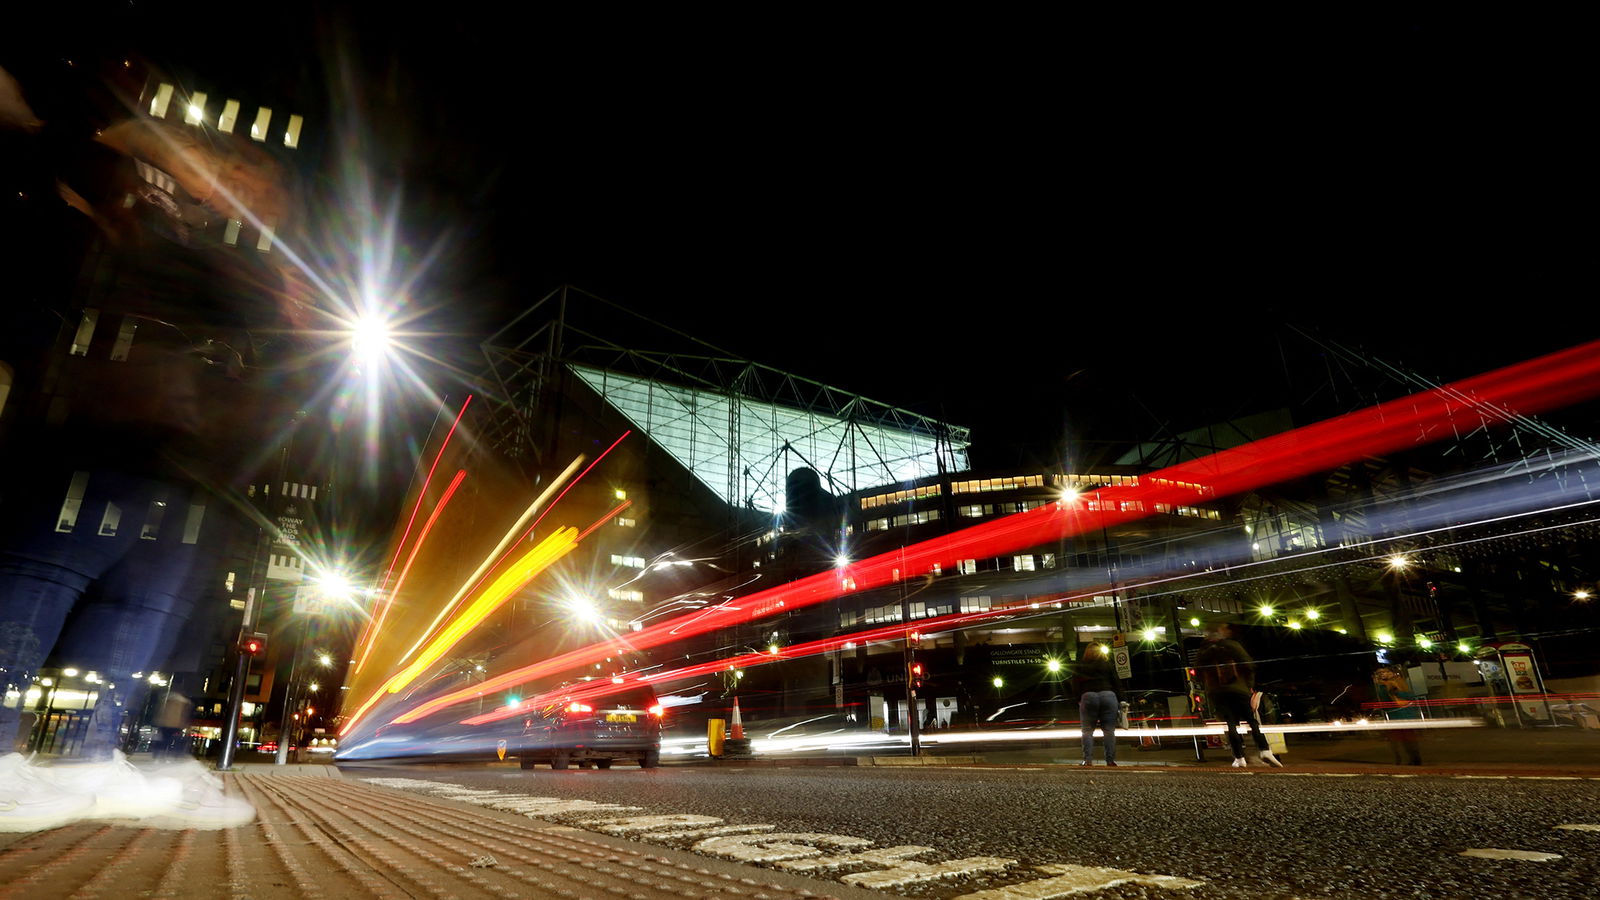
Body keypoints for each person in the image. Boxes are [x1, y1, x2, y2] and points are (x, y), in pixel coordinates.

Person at [1195, 623, 1283, 768]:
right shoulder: (1231, 645)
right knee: (1251, 720)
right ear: (1220, 632)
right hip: (1238, 688)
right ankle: (1264, 750)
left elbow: (1198, 672)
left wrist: (1209, 686)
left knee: (1231, 724)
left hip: (1217, 692)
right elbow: (1248, 664)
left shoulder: (1204, 651)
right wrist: (1247, 686)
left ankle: (1239, 757)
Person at [1073, 643, 1122, 766]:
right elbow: (1116, 682)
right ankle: (1110, 761)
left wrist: (1078, 699)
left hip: (1088, 696)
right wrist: (1122, 699)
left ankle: (1087, 760)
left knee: (1087, 731)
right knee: (1109, 730)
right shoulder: (1108, 664)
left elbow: (1074, 683)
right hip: (1108, 695)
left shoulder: (1081, 666)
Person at [1374, 666, 1423, 765]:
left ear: (1392, 673)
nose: (1382, 674)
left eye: (1385, 672)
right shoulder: (1380, 686)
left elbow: (1410, 696)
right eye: (1380, 673)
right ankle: (1399, 759)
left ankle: (1415, 759)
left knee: (1409, 739)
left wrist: (1397, 693)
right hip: (1393, 716)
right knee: (1397, 740)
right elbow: (1383, 701)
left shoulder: (1400, 682)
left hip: (1406, 714)